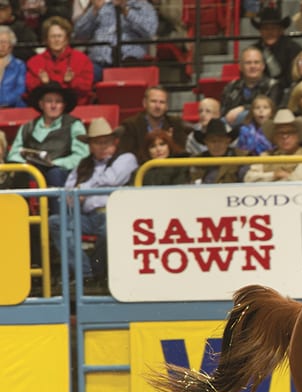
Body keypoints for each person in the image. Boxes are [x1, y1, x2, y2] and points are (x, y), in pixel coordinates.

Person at [49, 117, 138, 291]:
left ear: (115, 141)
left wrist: (82, 189)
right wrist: (76, 194)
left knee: (108, 230)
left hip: (115, 214)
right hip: (87, 216)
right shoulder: (83, 164)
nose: (103, 146)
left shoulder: (126, 158)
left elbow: (112, 179)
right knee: (55, 222)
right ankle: (85, 273)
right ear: (90, 145)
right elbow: (66, 194)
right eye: (97, 142)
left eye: (106, 141)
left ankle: (97, 273)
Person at [7, 82, 87, 187]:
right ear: (41, 104)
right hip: (31, 174)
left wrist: (55, 163)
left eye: (58, 102)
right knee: (21, 175)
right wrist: (27, 163)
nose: (53, 106)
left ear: (64, 105)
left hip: (62, 175)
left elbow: (82, 156)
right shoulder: (27, 127)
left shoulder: (74, 125)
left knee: (54, 174)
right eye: (49, 101)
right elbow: (13, 154)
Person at [73, 0, 158, 75]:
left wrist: (126, 11)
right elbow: (79, 34)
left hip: (129, 64)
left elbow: (149, 32)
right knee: (79, 77)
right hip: (98, 64)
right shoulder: (101, 6)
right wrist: (94, 10)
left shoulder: (144, 7)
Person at [26, 16, 94, 104]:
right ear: (46, 40)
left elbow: (87, 87)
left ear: (66, 39)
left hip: (76, 108)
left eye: (59, 36)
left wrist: (72, 81)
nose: (56, 40)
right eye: (53, 36)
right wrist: (42, 83)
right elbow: (30, 88)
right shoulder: (34, 62)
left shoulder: (82, 59)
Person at [244, 108, 302, 182]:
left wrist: (265, 178)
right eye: (280, 133)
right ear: (274, 137)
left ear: (297, 136)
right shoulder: (266, 155)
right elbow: (248, 178)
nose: (285, 137)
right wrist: (275, 175)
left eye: (290, 132)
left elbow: (299, 180)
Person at [220, 46, 283, 127]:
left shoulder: (273, 86)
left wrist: (243, 108)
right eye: (248, 63)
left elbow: (270, 112)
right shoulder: (231, 87)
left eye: (256, 62)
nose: (252, 66)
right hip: (232, 131)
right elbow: (224, 113)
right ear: (240, 66)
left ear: (263, 66)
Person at [116, 86, 188, 156]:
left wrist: (170, 143)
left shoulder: (175, 123)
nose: (157, 106)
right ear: (144, 103)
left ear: (166, 106)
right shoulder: (131, 125)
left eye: (162, 102)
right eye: (153, 101)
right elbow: (128, 156)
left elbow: (182, 153)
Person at [250, 7, 302, 92]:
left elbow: (295, 76)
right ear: (260, 31)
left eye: (273, 28)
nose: (269, 32)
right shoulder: (253, 51)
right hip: (260, 93)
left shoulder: (293, 49)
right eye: (266, 28)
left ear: (281, 30)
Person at [189, 118, 247, 184]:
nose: (217, 145)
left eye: (220, 140)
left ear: (228, 141)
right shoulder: (197, 161)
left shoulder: (240, 158)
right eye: (212, 141)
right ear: (206, 142)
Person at [0, 25, 26, 107]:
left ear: (11, 45)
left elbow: (20, 90)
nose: (2, 45)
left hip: (13, 108)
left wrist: (3, 102)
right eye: (0, 42)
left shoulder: (19, 65)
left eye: (5, 42)